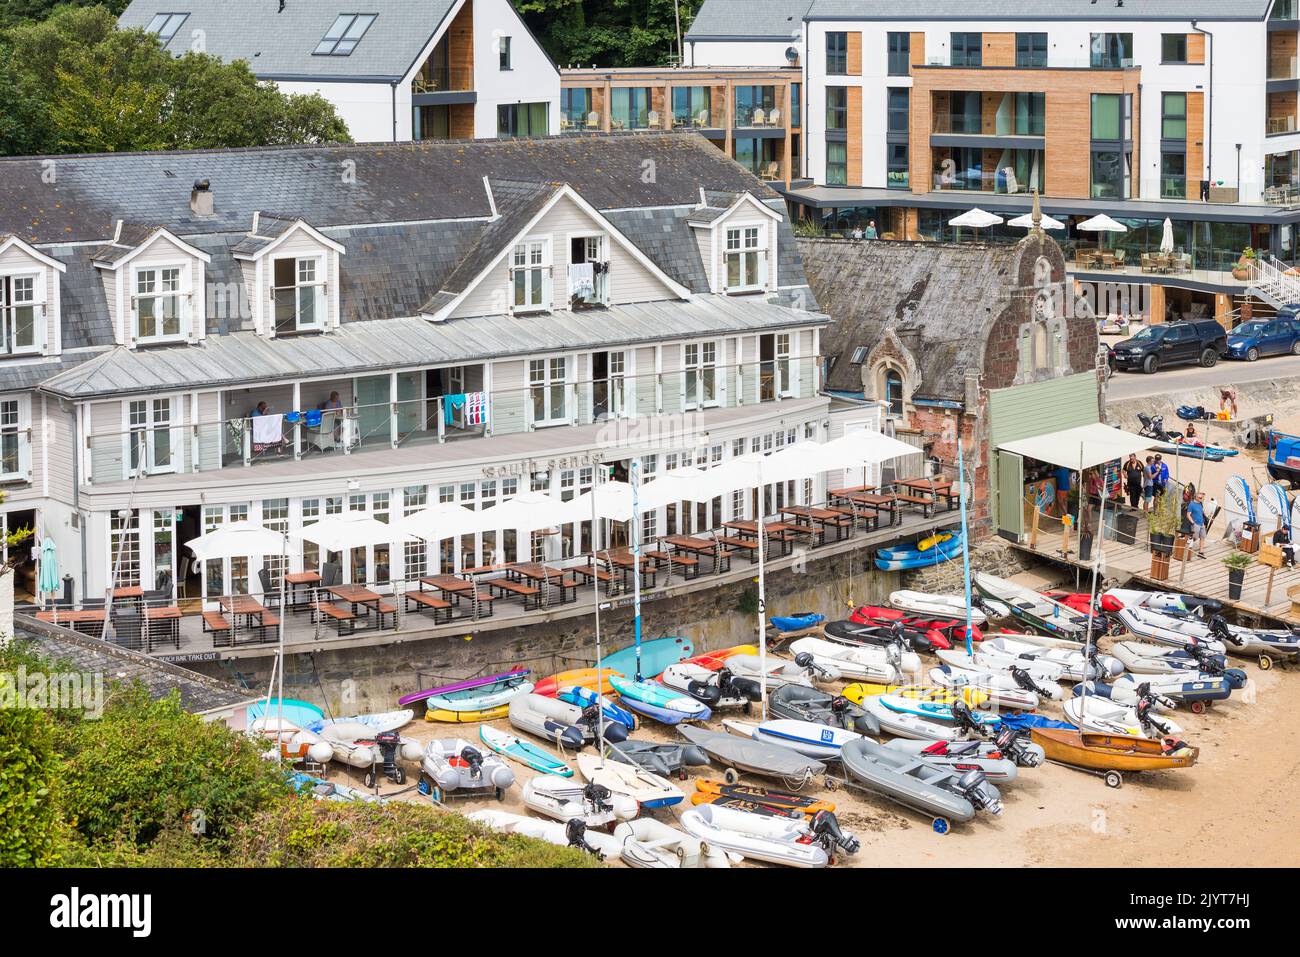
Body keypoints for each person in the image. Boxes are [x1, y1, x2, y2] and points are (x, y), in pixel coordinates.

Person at [1187, 492, 1208, 558]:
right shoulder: (1191, 504)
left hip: (1202, 524)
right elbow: (1188, 514)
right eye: (1200, 498)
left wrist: (1204, 523)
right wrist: (1193, 523)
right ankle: (1187, 548)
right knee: (1194, 538)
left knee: (1202, 537)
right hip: (1196, 524)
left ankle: (1201, 552)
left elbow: (1201, 513)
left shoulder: (1201, 504)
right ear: (1196, 497)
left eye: (1202, 498)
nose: (1202, 499)